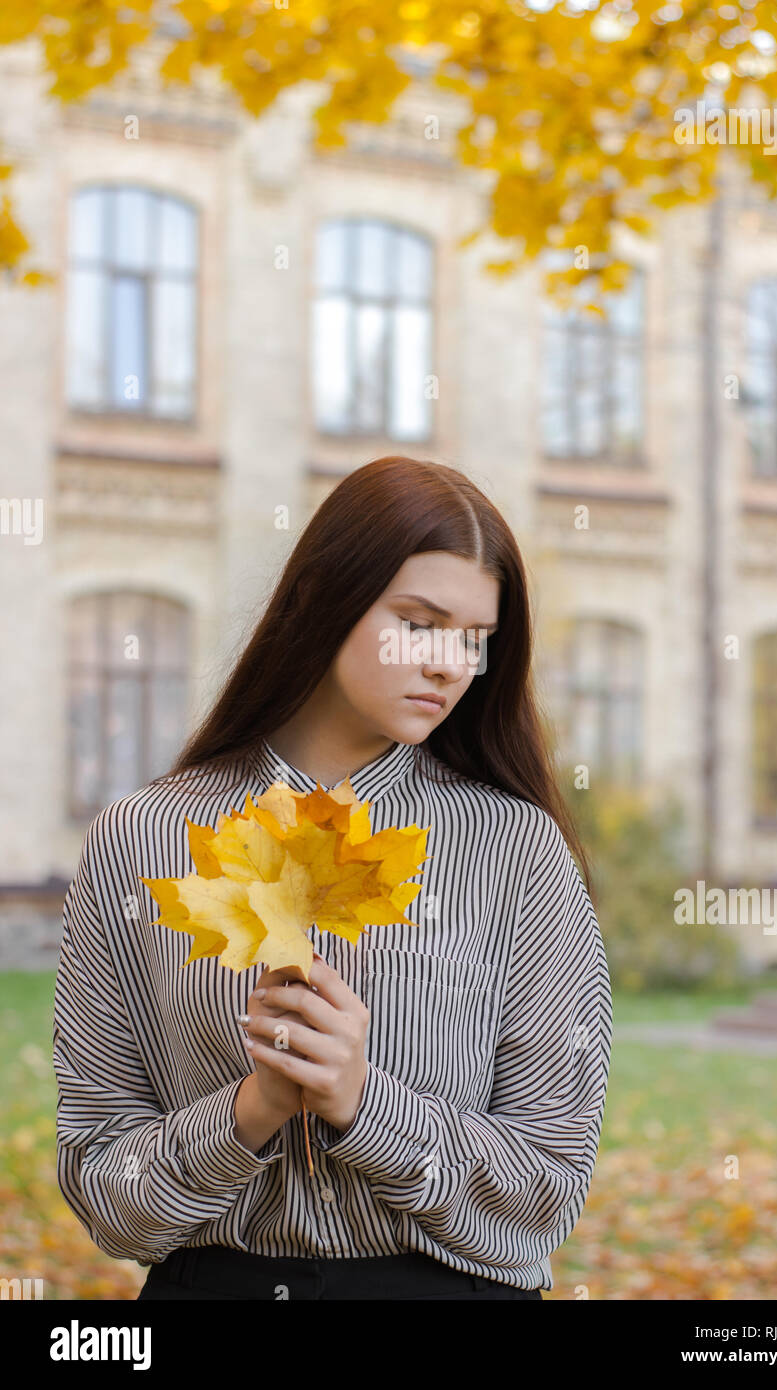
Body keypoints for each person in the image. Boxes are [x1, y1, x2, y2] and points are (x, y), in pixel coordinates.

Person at [53, 455, 612, 1301]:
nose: (450, 666)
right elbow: (104, 1186)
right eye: (420, 624)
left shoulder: (514, 852)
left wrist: (364, 1104)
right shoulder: (145, 840)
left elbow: (547, 1188)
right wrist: (250, 1113)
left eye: (475, 640)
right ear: (324, 598)